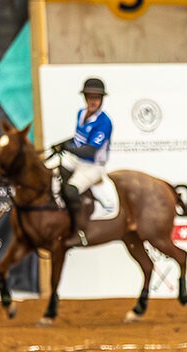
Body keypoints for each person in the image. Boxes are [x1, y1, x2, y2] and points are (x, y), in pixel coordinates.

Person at [56, 78, 113, 247]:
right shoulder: (81, 113)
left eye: (96, 98)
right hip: (76, 160)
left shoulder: (105, 123)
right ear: (85, 97)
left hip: (93, 165)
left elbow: (90, 150)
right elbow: (79, 140)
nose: (93, 101)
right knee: (55, 175)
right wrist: (61, 145)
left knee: (71, 190)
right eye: (90, 97)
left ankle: (79, 230)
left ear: (101, 99)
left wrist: (68, 148)